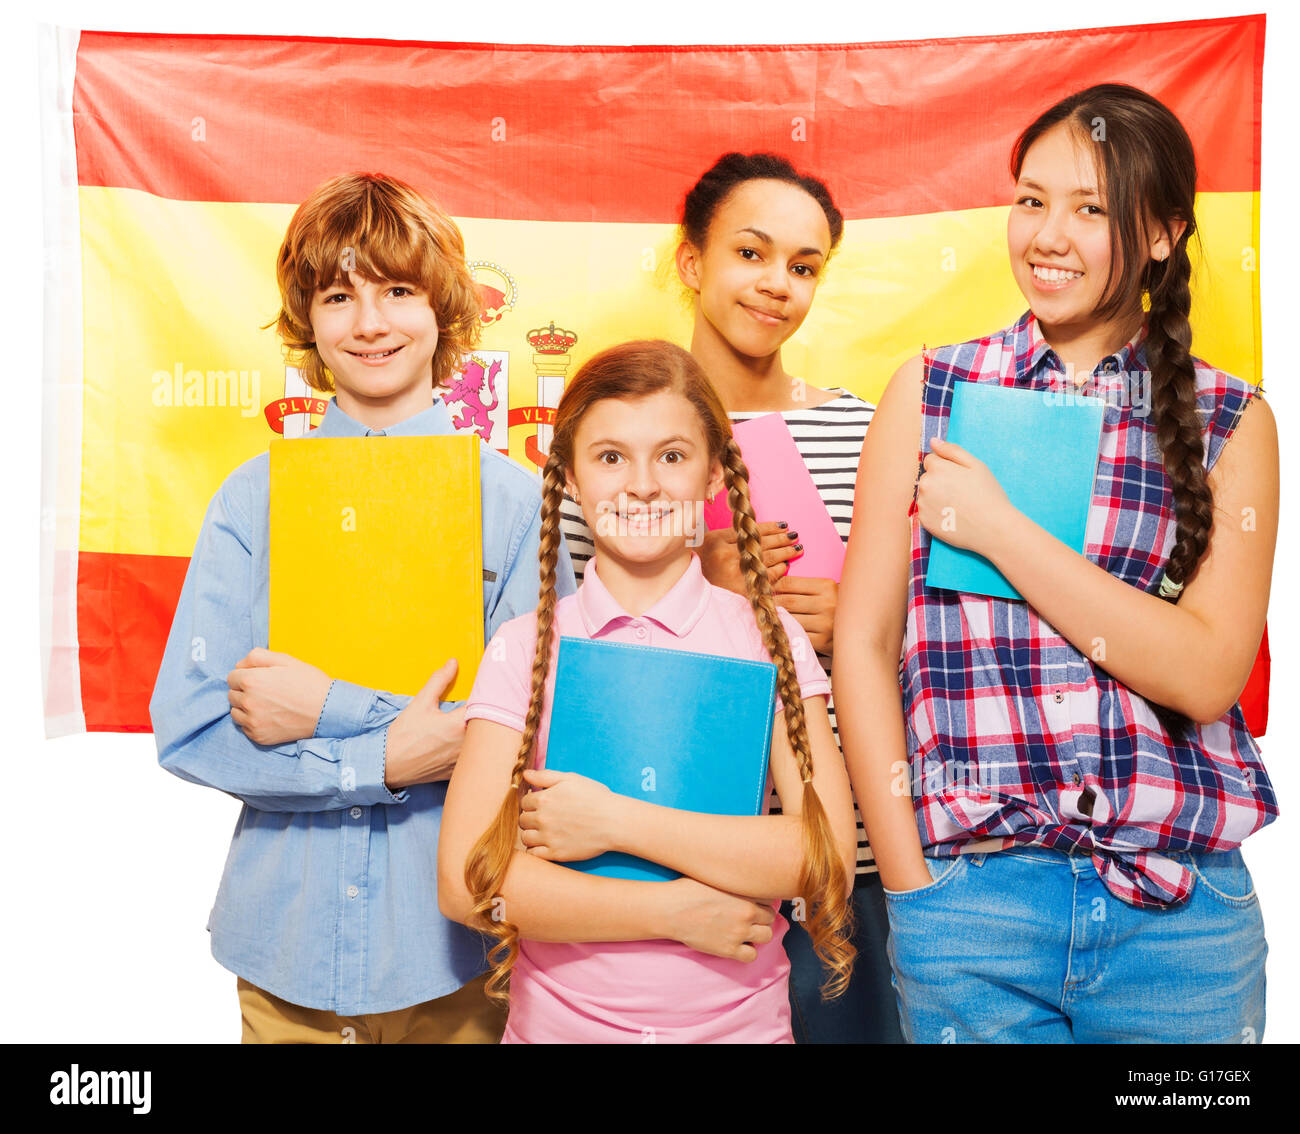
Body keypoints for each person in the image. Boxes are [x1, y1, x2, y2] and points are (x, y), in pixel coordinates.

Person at [834, 84, 1277, 1043]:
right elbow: (861, 646)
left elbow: (1206, 676)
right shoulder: (930, 388)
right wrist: (912, 880)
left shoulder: (1232, 421)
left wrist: (998, 528)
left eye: (1090, 209)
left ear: (1161, 233)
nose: (1047, 234)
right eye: (1031, 200)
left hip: (1180, 920)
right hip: (974, 911)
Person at [151, 172, 575, 1043]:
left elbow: (540, 727)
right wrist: (385, 756)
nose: (370, 322)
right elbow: (190, 725)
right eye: (339, 295)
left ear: (443, 309)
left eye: (397, 291)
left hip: (455, 954)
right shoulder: (252, 497)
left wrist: (331, 712)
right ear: (309, 320)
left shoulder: (516, 504)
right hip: (284, 945)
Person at [560, 153, 895, 1043]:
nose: (776, 284)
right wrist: (697, 577)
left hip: (845, 856)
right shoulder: (615, 438)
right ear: (692, 262)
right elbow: (555, 660)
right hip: (645, 854)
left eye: (803, 265)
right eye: (751, 253)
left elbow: (925, 644)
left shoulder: (864, 428)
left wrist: (857, 627)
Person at [438, 339, 857, 1043]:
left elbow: (827, 857)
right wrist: (674, 912)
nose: (641, 485)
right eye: (610, 457)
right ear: (569, 477)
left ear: (715, 475)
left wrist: (614, 823)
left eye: (671, 455)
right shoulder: (524, 646)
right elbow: (466, 884)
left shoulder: (767, 637)